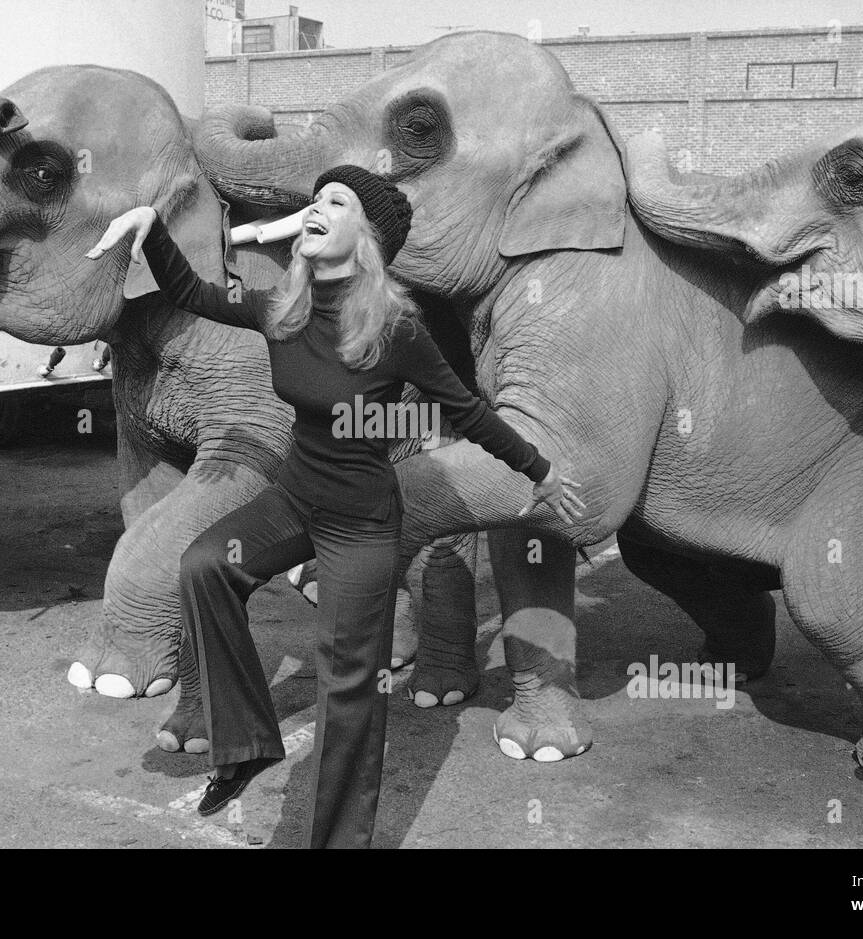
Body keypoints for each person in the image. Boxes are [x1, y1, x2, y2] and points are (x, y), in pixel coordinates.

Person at [86, 165, 585, 848]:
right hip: (293, 499)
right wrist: (151, 233)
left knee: (347, 690)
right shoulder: (282, 308)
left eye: (337, 201)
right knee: (205, 563)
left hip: (359, 526)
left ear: (367, 235)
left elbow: (466, 411)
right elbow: (189, 292)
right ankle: (248, 743)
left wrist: (540, 469)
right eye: (316, 197)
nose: (317, 207)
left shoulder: (397, 331)